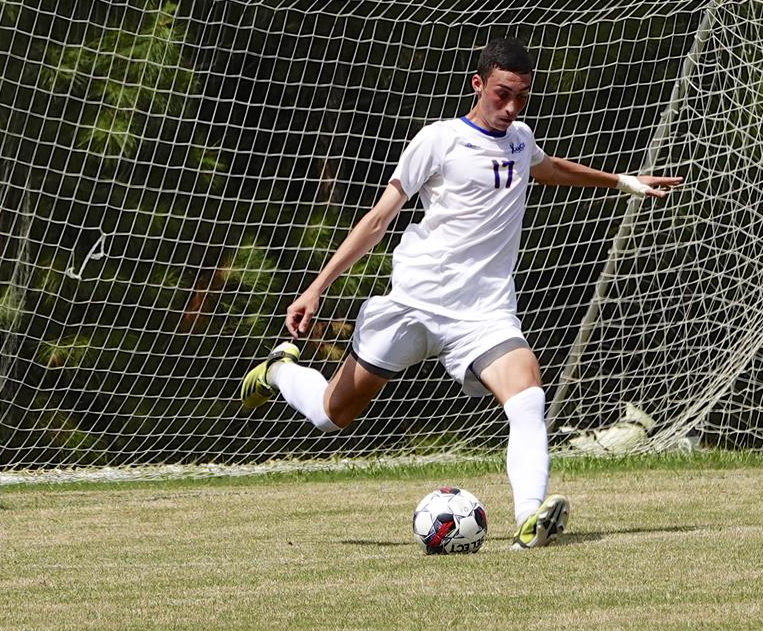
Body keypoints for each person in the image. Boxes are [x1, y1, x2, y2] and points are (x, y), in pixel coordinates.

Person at [239, 37, 681, 548]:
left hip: (483, 315)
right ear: (478, 84)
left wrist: (622, 180)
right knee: (329, 415)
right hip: (413, 305)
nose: (511, 107)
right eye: (501, 94)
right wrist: (317, 288)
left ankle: (530, 519)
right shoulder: (439, 139)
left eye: (522, 96)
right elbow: (380, 219)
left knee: (527, 396)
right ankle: (279, 369)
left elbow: (547, 166)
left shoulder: (518, 138)